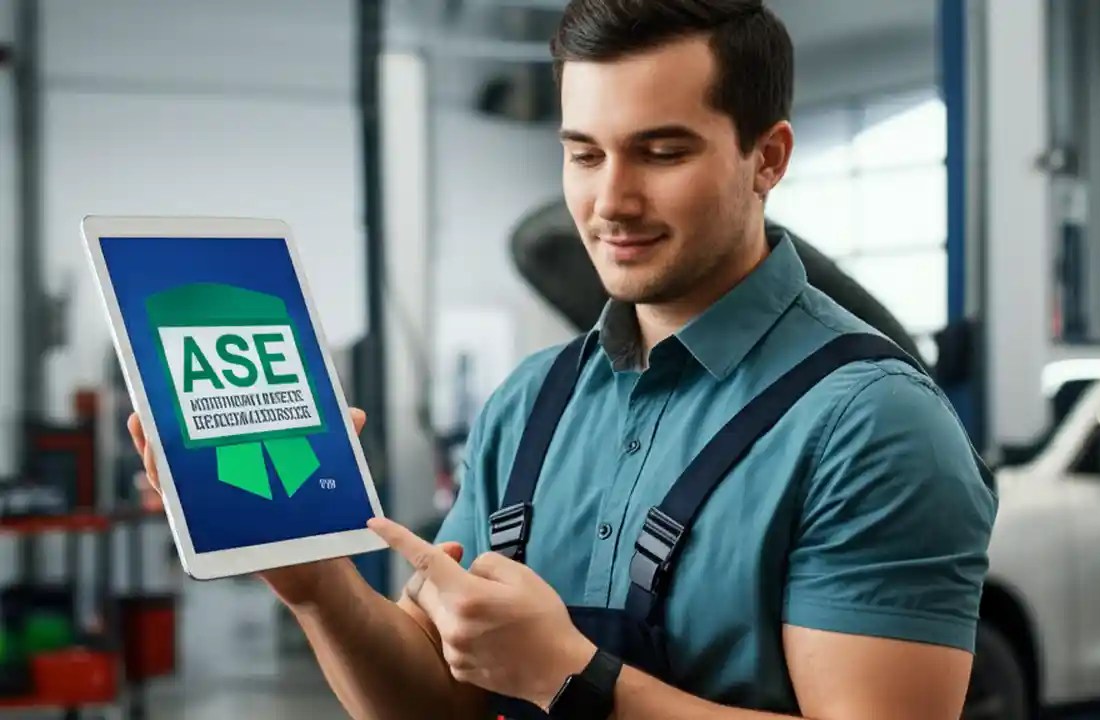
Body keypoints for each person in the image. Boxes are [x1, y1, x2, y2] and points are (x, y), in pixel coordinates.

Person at [129, 1, 998, 717]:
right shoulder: (531, 404)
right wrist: (316, 584)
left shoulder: (873, 424)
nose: (610, 200)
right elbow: (440, 706)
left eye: (662, 152)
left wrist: (573, 676)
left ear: (767, 157)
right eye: (583, 154)